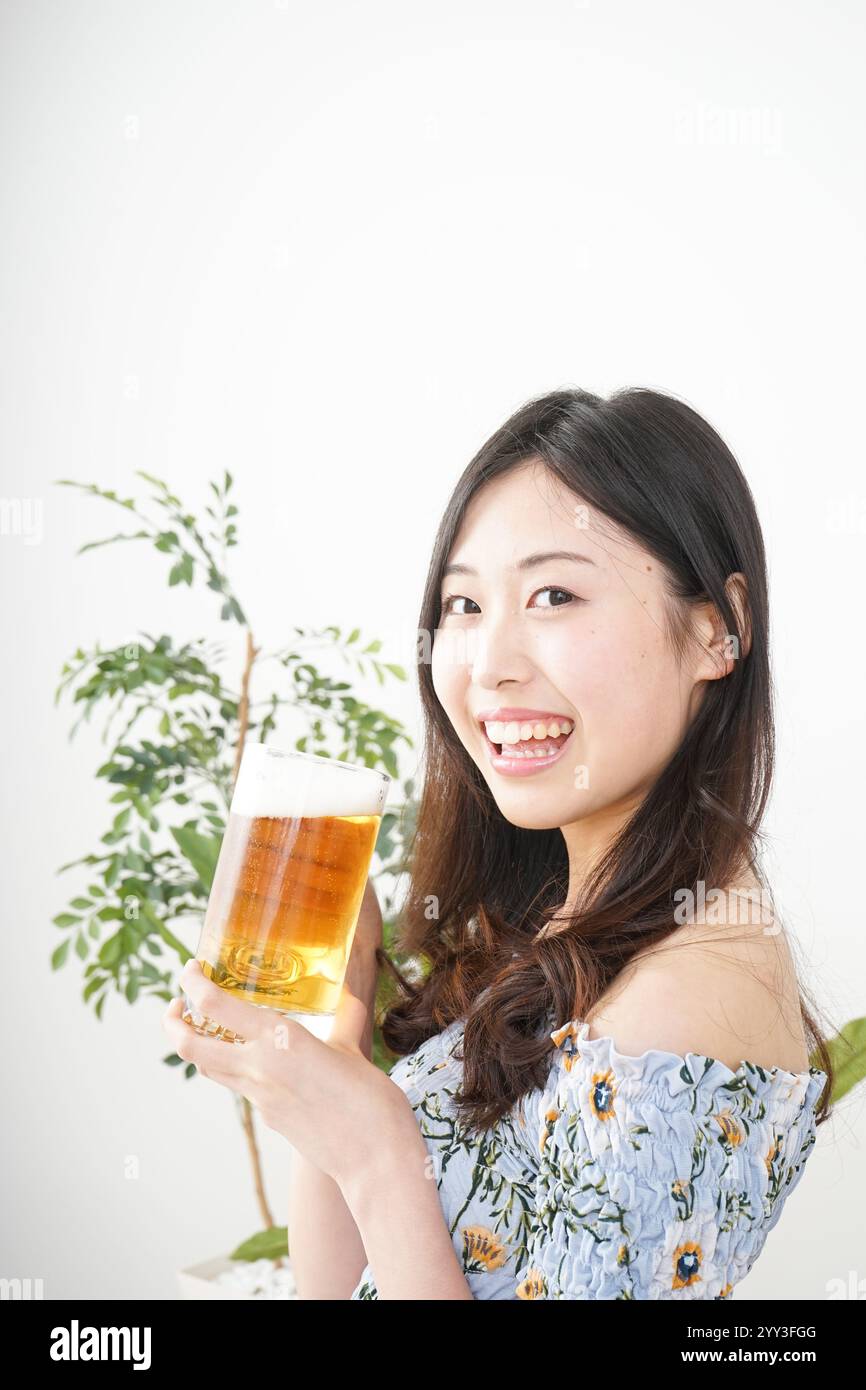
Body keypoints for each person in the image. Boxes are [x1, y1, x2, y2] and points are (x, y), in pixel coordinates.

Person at [165, 385, 834, 1300]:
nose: (487, 664)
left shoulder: (680, 1012)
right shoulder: (573, 918)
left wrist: (377, 1154)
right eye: (464, 605)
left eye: (553, 595)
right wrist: (340, 1034)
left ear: (719, 629)